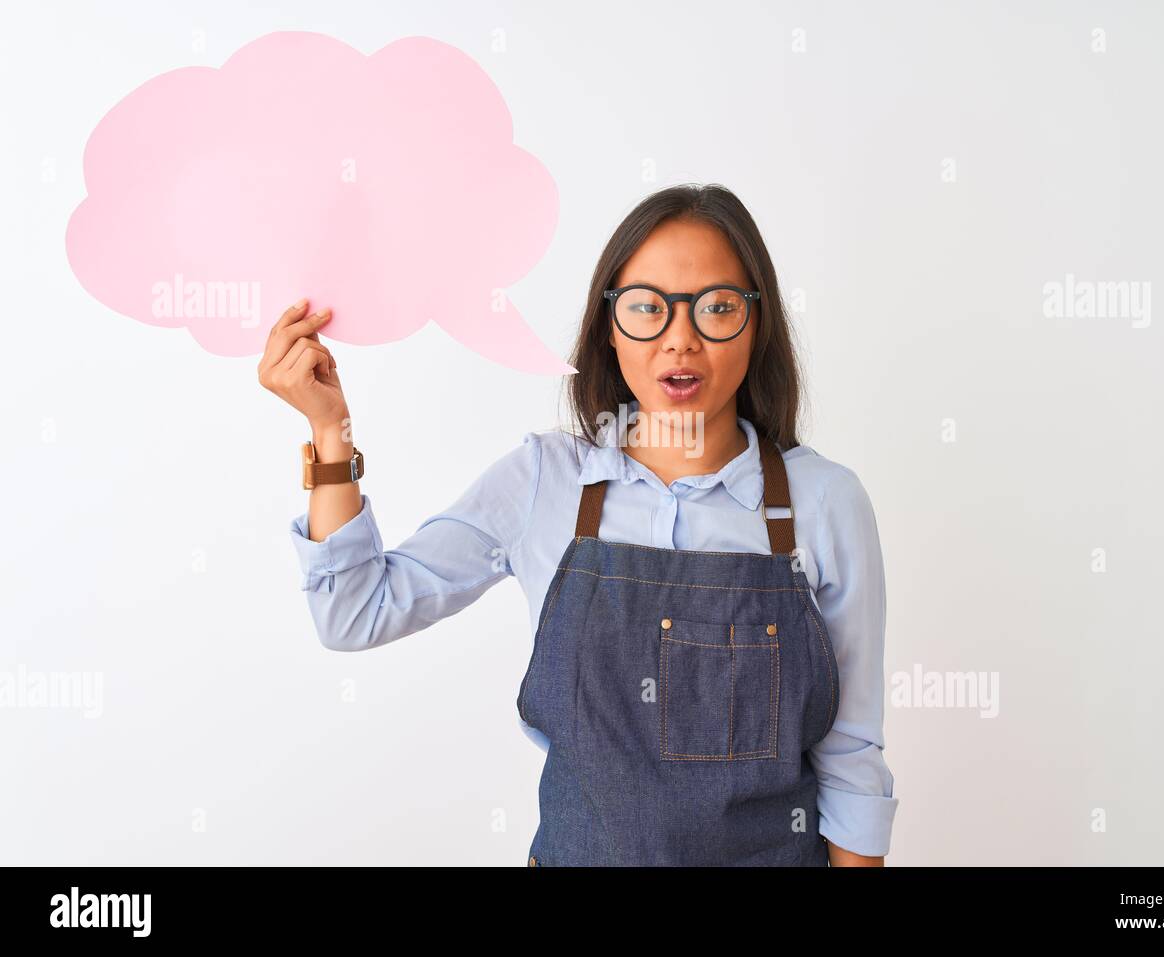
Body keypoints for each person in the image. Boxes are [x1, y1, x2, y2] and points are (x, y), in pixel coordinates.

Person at [258, 183, 898, 866]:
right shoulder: (544, 481)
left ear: (756, 321)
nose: (680, 339)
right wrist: (330, 433)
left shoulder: (826, 504)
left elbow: (851, 755)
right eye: (648, 307)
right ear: (609, 326)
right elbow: (354, 612)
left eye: (716, 307)